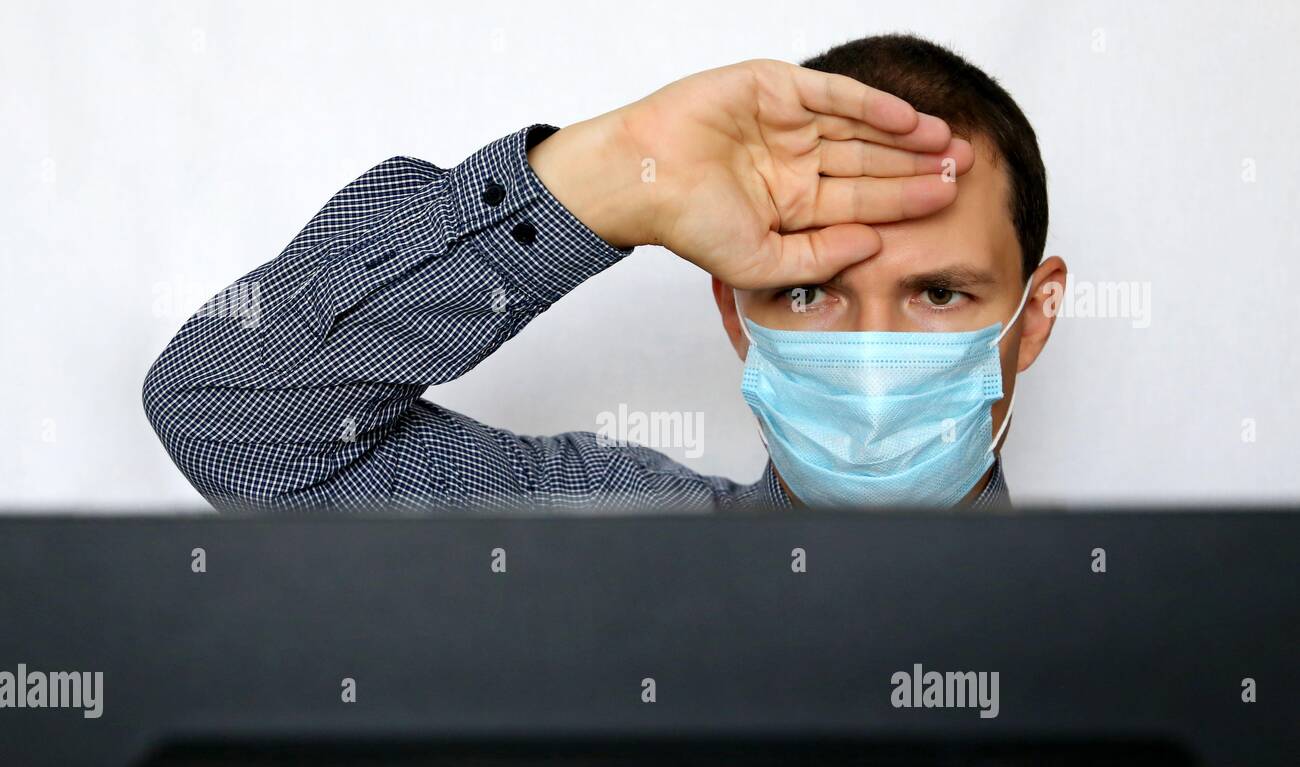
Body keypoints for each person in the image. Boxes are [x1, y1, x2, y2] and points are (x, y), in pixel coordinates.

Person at [143, 33, 1065, 513]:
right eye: (806, 291)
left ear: (1033, 316)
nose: (872, 358)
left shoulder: (1175, 639)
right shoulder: (590, 543)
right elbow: (227, 407)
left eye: (940, 294)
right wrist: (611, 175)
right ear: (737, 318)